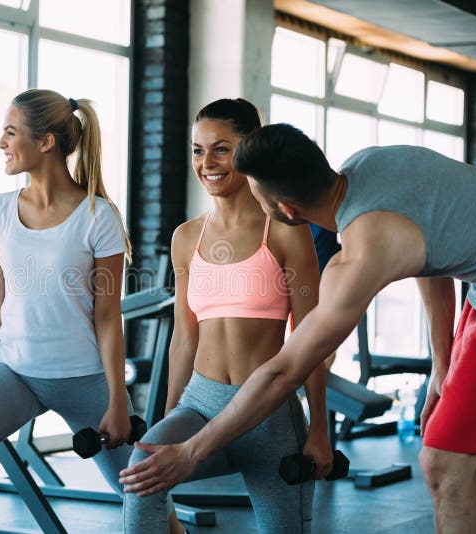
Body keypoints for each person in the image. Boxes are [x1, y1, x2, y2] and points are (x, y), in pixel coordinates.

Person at [119, 124, 476, 533]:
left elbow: (284, 371)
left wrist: (193, 451)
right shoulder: (369, 165)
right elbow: (432, 247)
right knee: (442, 455)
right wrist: (441, 363)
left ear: (287, 211)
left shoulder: (364, 254)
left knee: (446, 464)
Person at [123, 100, 330, 534]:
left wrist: (320, 431)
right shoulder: (186, 237)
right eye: (198, 150)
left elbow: (312, 335)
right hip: (201, 403)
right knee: (143, 473)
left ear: (250, 149)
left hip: (269, 414)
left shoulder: (288, 230)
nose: (207, 163)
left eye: (221, 149)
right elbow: (184, 338)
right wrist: (166, 420)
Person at [0, 89, 134, 532]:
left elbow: (107, 317)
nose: (1, 143)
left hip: (83, 377)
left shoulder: (99, 217)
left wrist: (118, 399)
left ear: (45, 143)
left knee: (139, 485)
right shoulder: (0, 212)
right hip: (14, 372)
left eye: (10, 132)